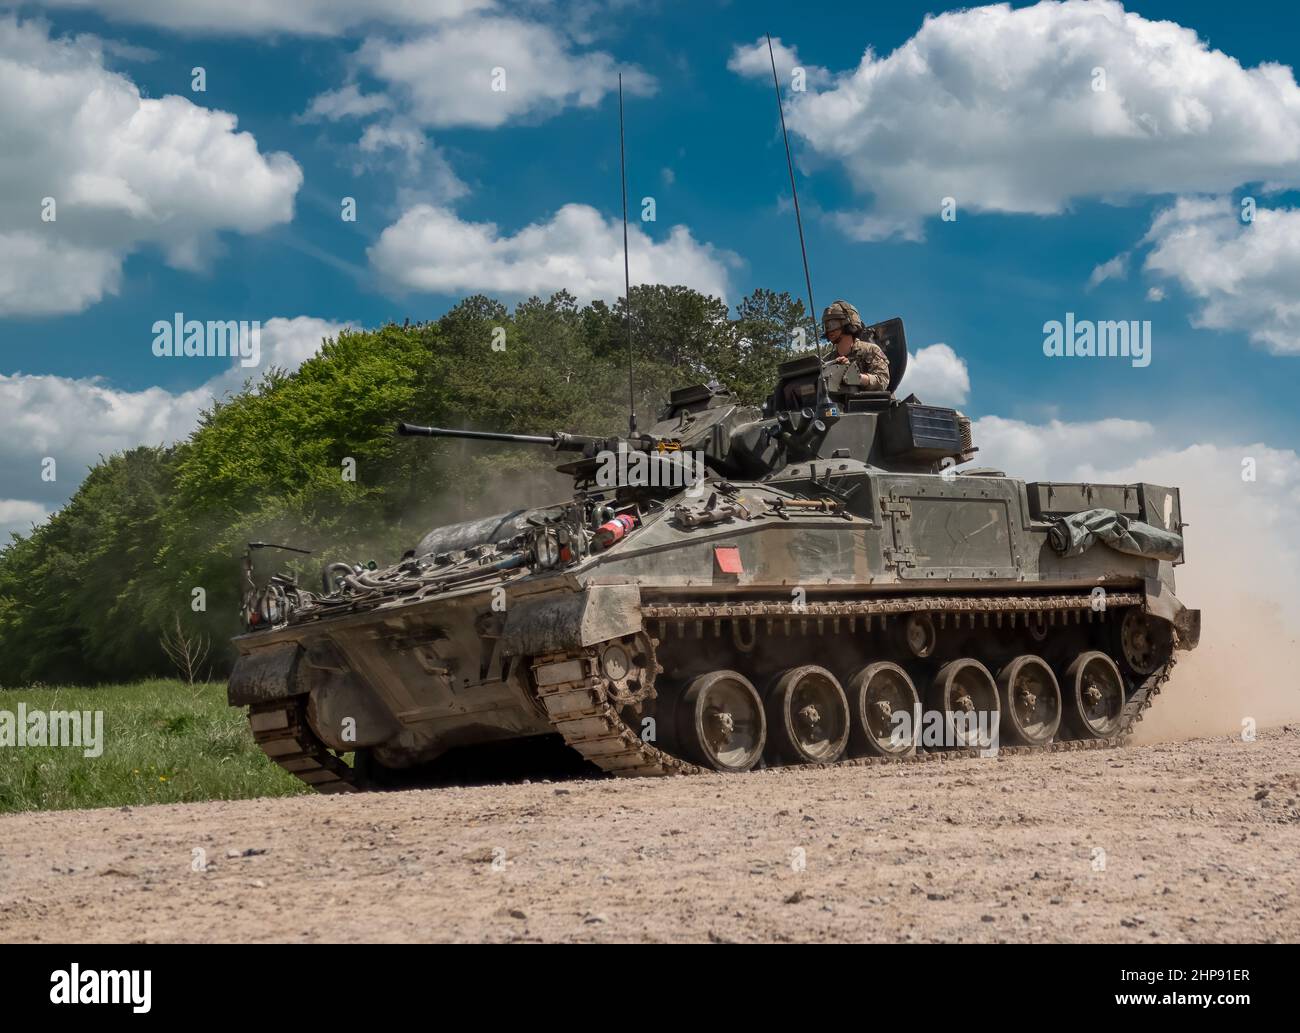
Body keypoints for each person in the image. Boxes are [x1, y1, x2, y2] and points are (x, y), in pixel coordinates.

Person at [822, 300, 890, 391]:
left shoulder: (870, 350)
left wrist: (857, 377)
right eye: (826, 326)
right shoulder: (827, 360)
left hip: (871, 403)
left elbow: (883, 381)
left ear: (848, 323)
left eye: (832, 324)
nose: (829, 330)